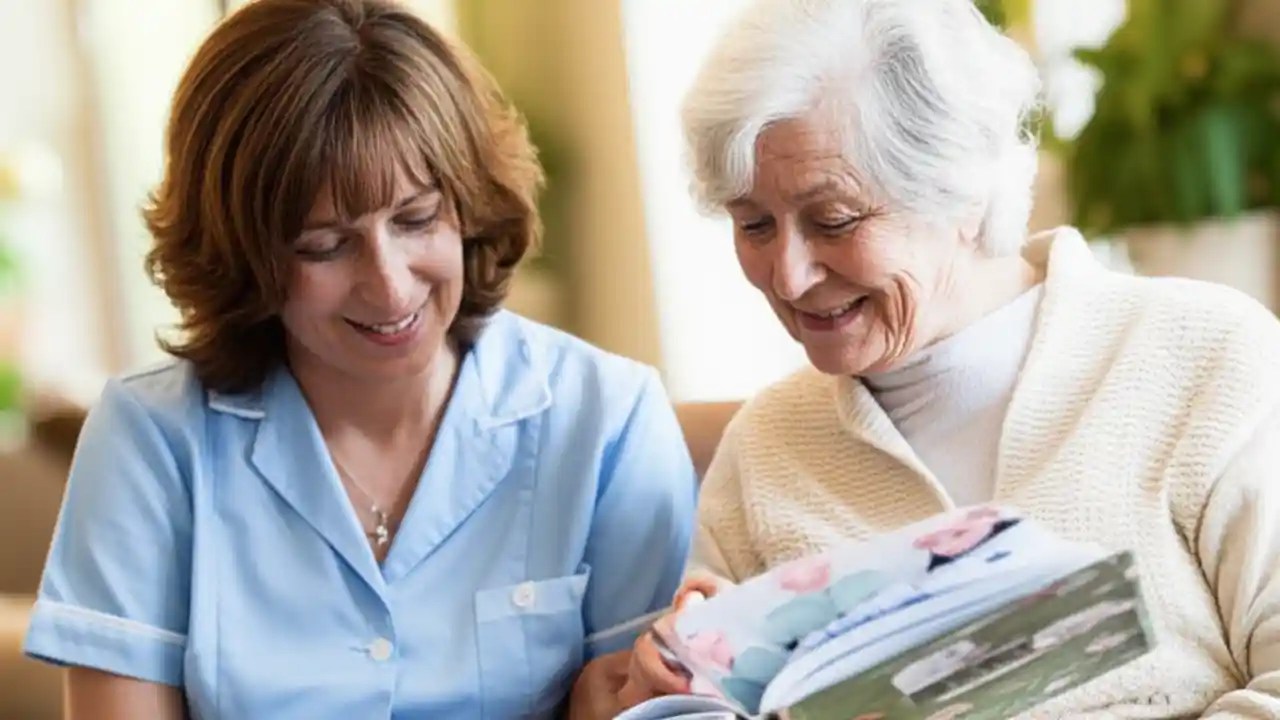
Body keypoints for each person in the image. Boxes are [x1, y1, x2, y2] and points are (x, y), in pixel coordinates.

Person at [22, 1, 697, 718]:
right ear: (243, 254)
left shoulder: (608, 420)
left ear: (468, 205)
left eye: (416, 218)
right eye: (325, 245)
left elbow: (646, 705)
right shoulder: (151, 439)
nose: (390, 286)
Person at [622, 0, 1280, 716]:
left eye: (833, 221)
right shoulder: (767, 449)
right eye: (754, 225)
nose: (789, 275)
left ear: (963, 191)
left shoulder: (1205, 357)